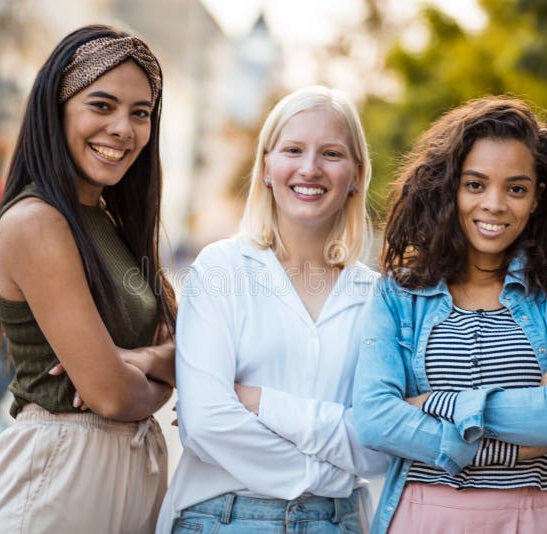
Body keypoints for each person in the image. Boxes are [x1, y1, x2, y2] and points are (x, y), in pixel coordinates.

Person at [353, 96, 547, 533]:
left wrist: (431, 404)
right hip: (422, 517)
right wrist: (511, 449)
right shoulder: (400, 293)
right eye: (475, 184)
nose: (494, 204)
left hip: (528, 519)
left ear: (537, 198)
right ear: (450, 188)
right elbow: (375, 419)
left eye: (516, 188)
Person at [0, 25, 177, 533]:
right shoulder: (36, 221)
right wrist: (161, 384)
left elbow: (179, 346)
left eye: (140, 113)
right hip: (58, 476)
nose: (124, 129)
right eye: (101, 106)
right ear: (56, 109)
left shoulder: (110, 223)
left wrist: (146, 362)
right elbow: (109, 396)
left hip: (124, 475)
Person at [158, 86, 389, 533]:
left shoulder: (377, 297)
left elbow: (379, 444)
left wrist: (261, 402)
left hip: (336, 522)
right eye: (294, 150)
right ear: (266, 165)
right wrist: (325, 471)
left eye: (332, 154)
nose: (310, 168)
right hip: (224, 517)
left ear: (357, 174)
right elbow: (206, 424)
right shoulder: (220, 269)